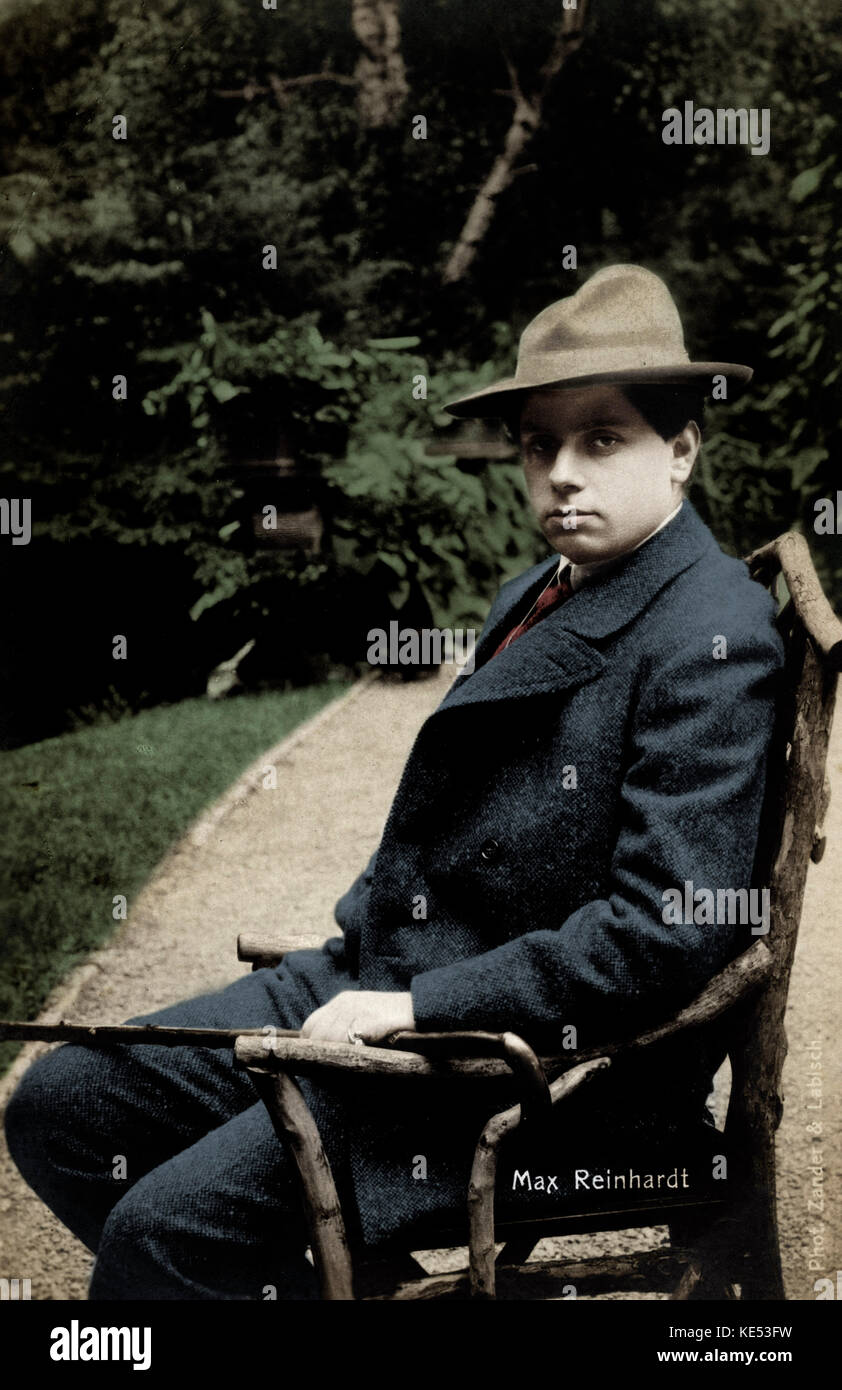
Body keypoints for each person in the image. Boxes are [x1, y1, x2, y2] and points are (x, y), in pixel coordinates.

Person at [4, 265, 785, 1299]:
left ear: (680, 448)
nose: (558, 472)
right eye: (536, 441)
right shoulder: (543, 587)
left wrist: (415, 1003)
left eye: (600, 438)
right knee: (59, 1105)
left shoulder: (708, 633)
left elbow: (663, 932)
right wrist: (376, 967)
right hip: (385, 976)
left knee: (161, 1235)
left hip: (508, 1066)